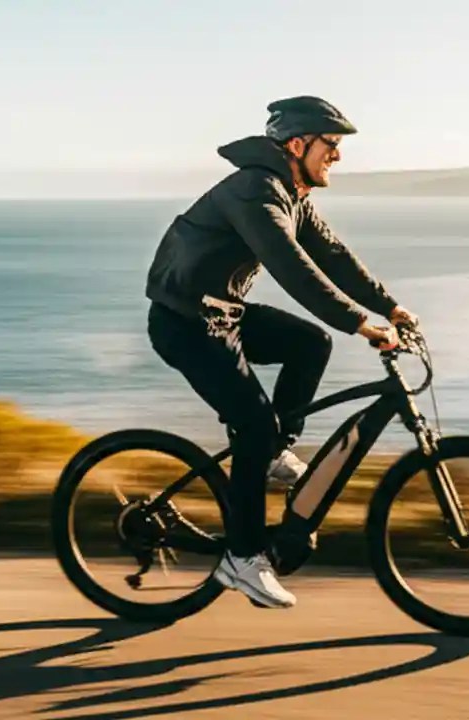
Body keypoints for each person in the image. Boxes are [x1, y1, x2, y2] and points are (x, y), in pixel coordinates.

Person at [144, 96, 418, 609]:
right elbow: (293, 267)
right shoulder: (255, 192)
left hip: (221, 314)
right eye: (331, 145)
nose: (337, 156)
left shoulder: (290, 193)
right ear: (298, 144)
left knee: (311, 343)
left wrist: (390, 306)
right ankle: (242, 559)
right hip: (185, 325)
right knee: (253, 425)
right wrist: (362, 324)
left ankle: (273, 451)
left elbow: (331, 254)